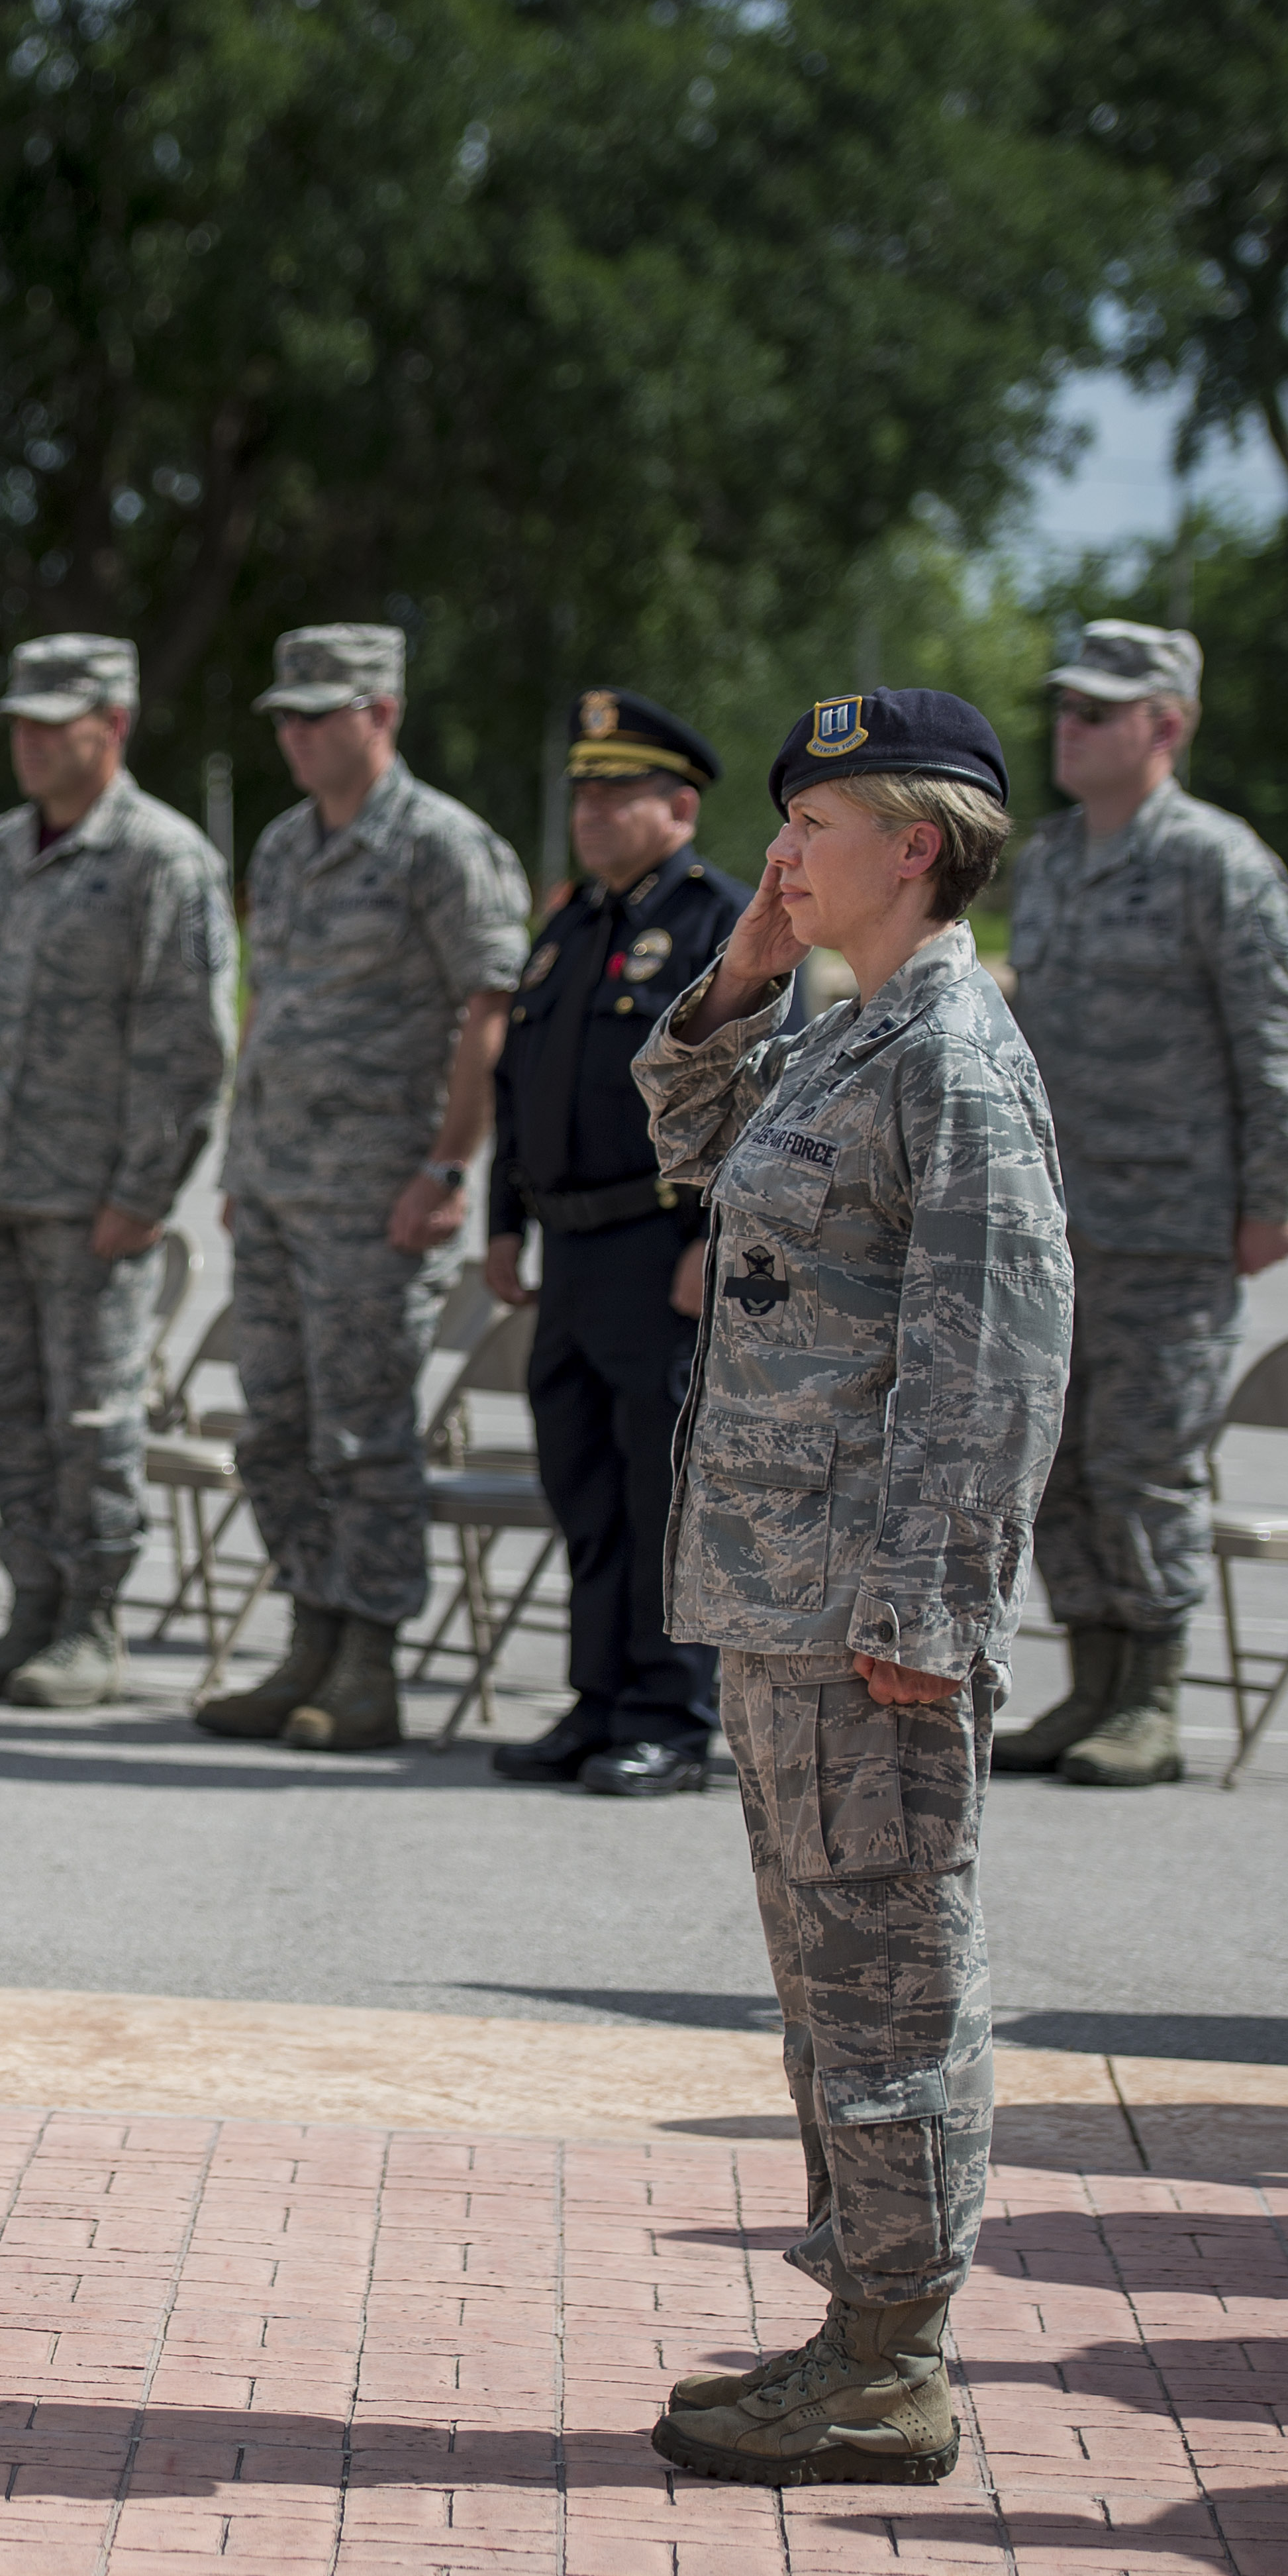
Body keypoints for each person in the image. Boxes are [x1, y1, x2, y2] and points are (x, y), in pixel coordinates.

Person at [632, 687, 1070, 2489]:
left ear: (919, 846)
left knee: (892, 1985)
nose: (780, 853)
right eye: (781, 824)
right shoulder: (846, 1031)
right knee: (826, 1990)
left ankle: (896, 2357)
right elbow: (690, 1152)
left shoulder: (955, 1056)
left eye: (816, 826)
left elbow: (996, 1366)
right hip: (780, 1593)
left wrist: (927, 1620)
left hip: (865, 1622)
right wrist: (738, 981)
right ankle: (856, 2330)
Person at [999, 621, 1288, 1787]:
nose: (1072, 727)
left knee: (1148, 1461)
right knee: (1058, 1462)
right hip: (1053, 1228)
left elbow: (1285, 1044)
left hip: (1173, 1230)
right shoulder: (1045, 861)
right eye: (1067, 707)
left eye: (1100, 710)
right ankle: (1091, 1680)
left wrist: (1271, 1193)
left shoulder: (1218, 864)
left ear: (1168, 726)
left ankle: (1153, 1696)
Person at [193, 625, 528, 1751]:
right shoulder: (286, 847)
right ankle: (310, 1637)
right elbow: (268, 1010)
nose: (292, 735)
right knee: (275, 1429)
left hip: (383, 1196)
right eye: (282, 716)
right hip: (280, 1189)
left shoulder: (441, 845)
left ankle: (370, 1660)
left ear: (380, 713)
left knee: (364, 1432)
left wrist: (447, 1169)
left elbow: (491, 1012)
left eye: (316, 714)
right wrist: (242, 1161)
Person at [0, 635, 232, 1709]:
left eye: (57, 724)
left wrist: (144, 1191)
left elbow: (188, 1044)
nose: (32, 743)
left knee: (89, 1417)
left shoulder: (161, 858)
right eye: (22, 724)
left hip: (90, 1198)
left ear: (114, 727)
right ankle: (32, 1604)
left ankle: (90, 1621)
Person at [481, 691, 759, 1798]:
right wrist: (505, 1219)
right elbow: (519, 1085)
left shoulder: (723, 926)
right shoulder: (571, 928)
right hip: (572, 1254)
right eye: (583, 794)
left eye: (617, 794)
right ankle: (597, 1699)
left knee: (664, 1493)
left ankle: (669, 1715)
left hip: (663, 1253)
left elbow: (754, 1097)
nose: (591, 813)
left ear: (680, 806)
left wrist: (713, 1236)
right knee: (584, 1484)